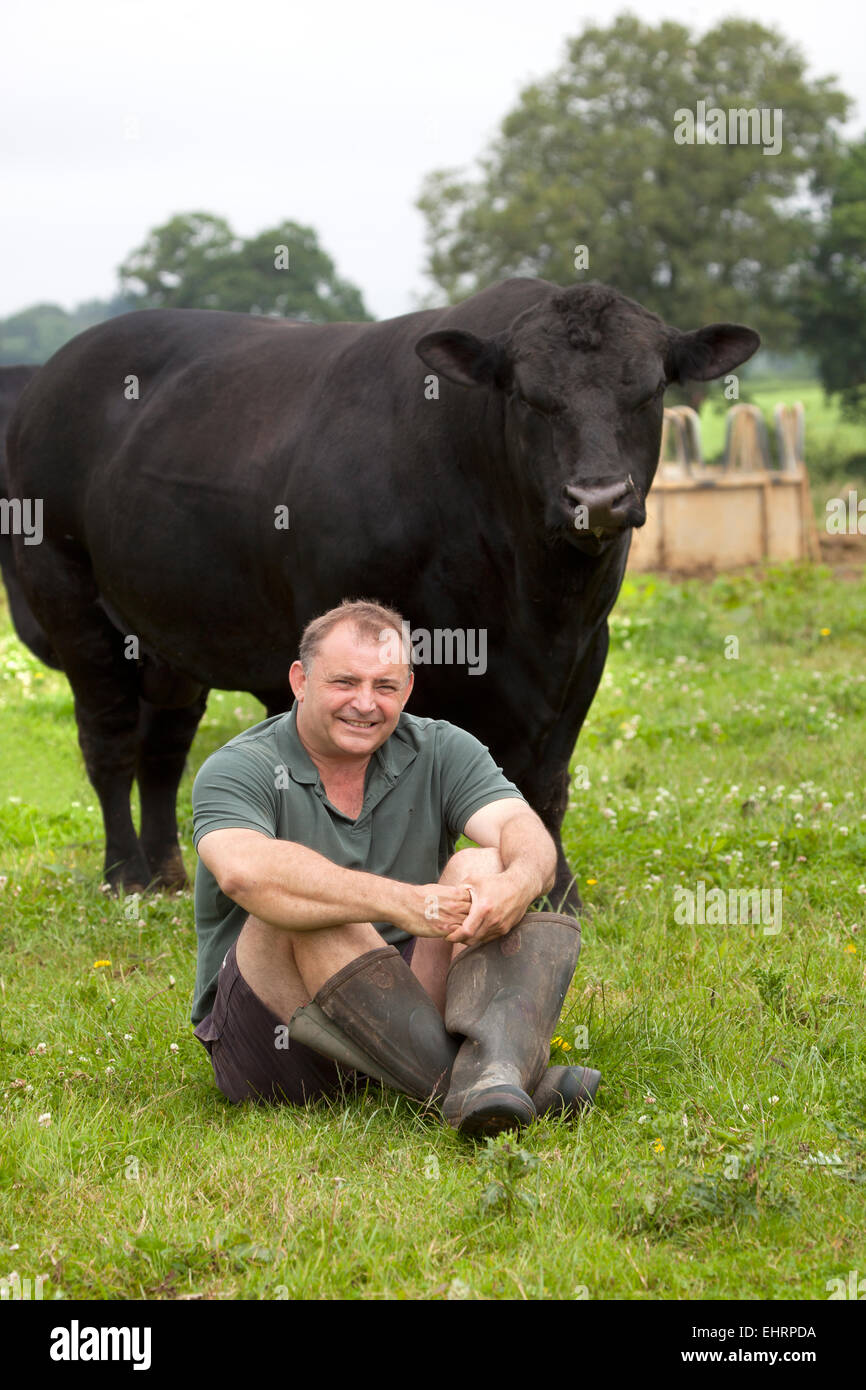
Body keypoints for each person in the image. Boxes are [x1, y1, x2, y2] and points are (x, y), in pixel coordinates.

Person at [191, 598, 600, 1136]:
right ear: (300, 680)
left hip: (406, 1012)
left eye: (385, 687)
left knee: (483, 861)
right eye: (345, 682)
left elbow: (521, 831)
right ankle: (486, 1081)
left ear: (406, 689)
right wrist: (405, 903)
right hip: (279, 1042)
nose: (365, 704)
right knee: (307, 908)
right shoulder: (239, 766)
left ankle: (480, 1077)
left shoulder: (440, 747)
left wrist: (517, 885)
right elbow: (244, 871)